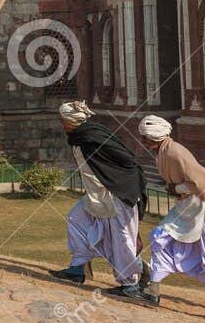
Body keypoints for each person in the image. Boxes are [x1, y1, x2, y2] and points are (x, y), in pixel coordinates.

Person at [136, 115, 205, 323]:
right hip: (187, 209)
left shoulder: (174, 151)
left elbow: (204, 181)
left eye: (146, 138)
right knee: (159, 237)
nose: (144, 142)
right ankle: (153, 290)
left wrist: (175, 188)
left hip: (203, 212)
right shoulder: (163, 152)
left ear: (155, 137)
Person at [50, 101, 149, 297]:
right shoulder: (81, 136)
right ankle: (78, 269)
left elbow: (128, 161)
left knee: (122, 242)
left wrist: (117, 182)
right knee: (76, 220)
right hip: (97, 196)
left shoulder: (93, 136)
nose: (62, 124)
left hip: (117, 195)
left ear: (72, 121)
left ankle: (132, 283)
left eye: (63, 121)